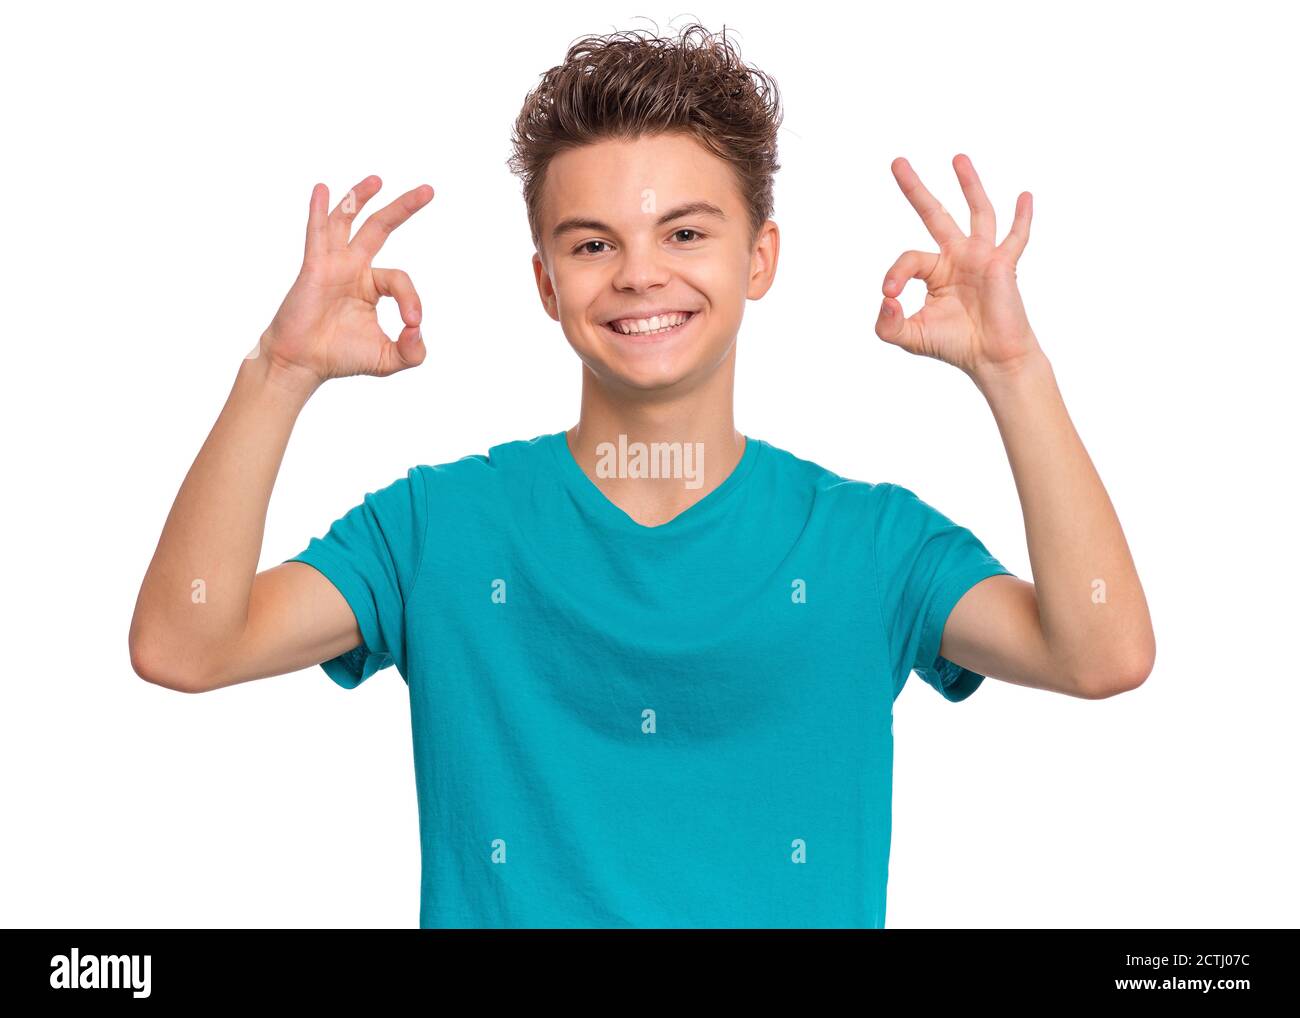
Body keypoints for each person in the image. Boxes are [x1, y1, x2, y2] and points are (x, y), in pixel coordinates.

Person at [128, 23, 1155, 928]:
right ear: (545, 281)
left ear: (759, 259)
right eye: (591, 243)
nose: (638, 274)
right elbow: (185, 642)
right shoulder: (441, 530)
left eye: (686, 233)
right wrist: (280, 370)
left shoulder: (868, 546)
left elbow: (1099, 652)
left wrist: (1015, 373)